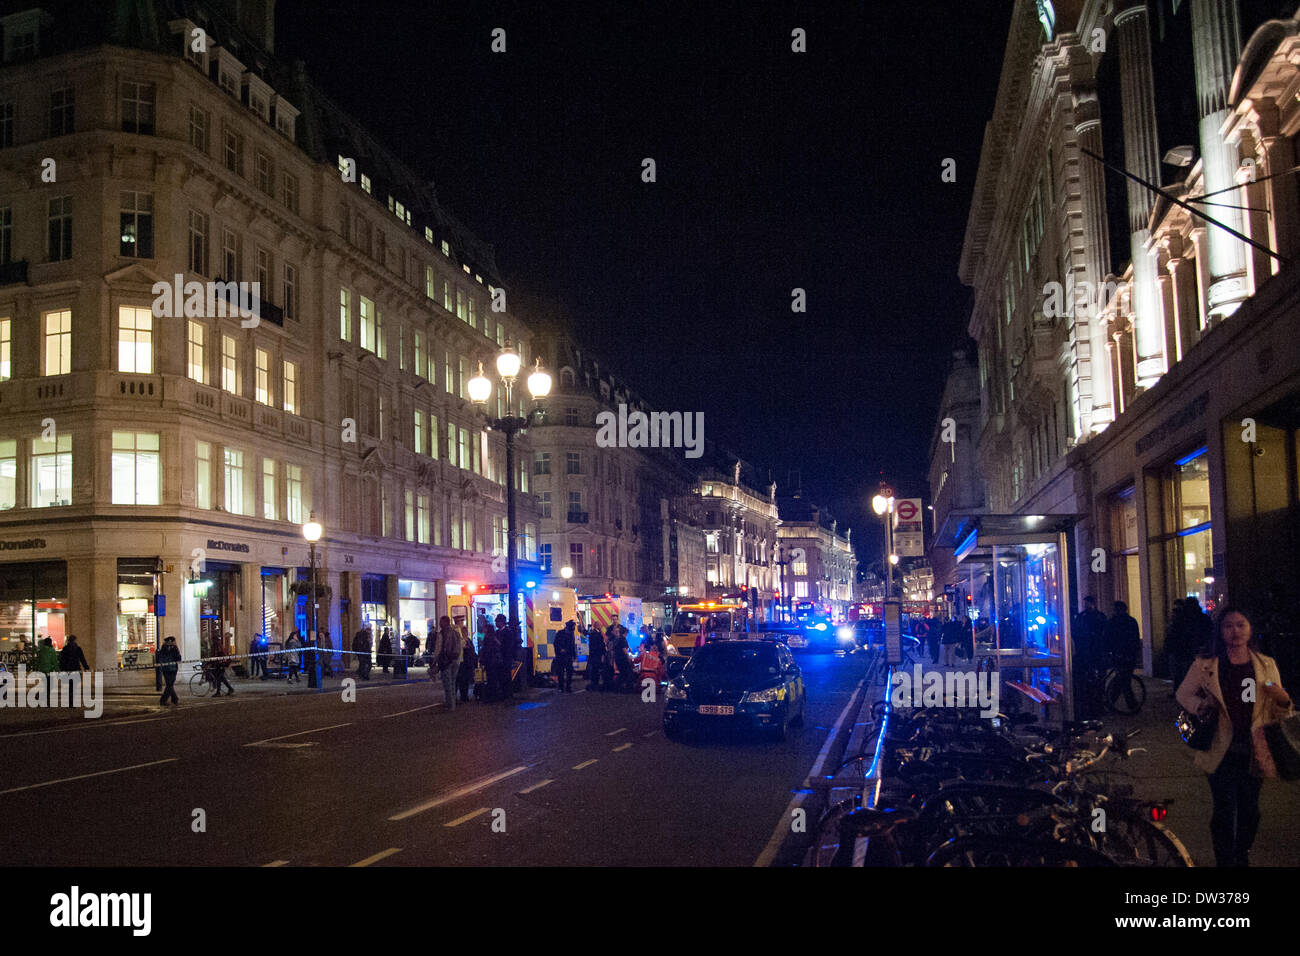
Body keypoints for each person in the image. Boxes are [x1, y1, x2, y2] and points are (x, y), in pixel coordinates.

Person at [1176, 606, 1292, 867]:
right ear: (1220, 630)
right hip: (1220, 747)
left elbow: (1278, 706)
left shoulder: (1265, 664)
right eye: (1229, 626)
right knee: (1225, 808)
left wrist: (1284, 701)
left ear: (1250, 629)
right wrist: (1200, 706)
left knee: (1251, 809)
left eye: (1241, 625)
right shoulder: (1206, 664)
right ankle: (1226, 860)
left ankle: (1242, 853)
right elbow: (1184, 694)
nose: (1235, 631)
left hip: (1254, 748)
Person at [1072, 596, 1108, 718]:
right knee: (1088, 680)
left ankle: (1098, 704)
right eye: (1086, 603)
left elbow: (1104, 633)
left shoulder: (1098, 617)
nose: (1087, 605)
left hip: (1095, 652)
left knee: (1098, 679)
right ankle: (1093, 705)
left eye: (1088, 603)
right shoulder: (1082, 617)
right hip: (1086, 652)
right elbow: (1075, 632)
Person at [1103, 601, 1141, 674]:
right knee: (1124, 674)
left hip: (1123, 652)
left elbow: (1106, 637)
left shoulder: (1112, 622)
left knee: (1122, 674)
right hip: (1124, 652)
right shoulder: (1130, 621)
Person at [433, 617, 462, 710]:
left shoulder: (442, 634)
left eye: (441, 622)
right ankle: (453, 703)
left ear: (444, 622)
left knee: (447, 684)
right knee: (453, 683)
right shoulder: (456, 633)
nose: (439, 623)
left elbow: (438, 649)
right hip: (455, 660)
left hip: (446, 661)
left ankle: (450, 705)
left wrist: (435, 661)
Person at [497, 614, 521, 699]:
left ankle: (508, 694)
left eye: (498, 621)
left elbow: (509, 646)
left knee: (507, 676)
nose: (496, 623)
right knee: (501, 677)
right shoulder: (498, 632)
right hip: (500, 658)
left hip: (506, 658)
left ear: (502, 622)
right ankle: (503, 693)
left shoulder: (508, 632)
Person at [480, 622, 503, 701]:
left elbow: (487, 651)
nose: (483, 630)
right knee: (494, 679)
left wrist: (482, 659)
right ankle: (494, 695)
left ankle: (491, 696)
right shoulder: (494, 637)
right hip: (495, 661)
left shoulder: (488, 638)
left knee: (491, 679)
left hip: (490, 661)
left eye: (484, 628)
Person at [157, 635, 182, 705]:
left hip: (170, 669)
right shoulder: (166, 649)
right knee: (170, 685)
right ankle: (163, 700)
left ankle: (174, 699)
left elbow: (178, 658)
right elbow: (178, 658)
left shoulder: (171, 648)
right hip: (169, 669)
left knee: (169, 685)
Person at [553, 620, 576, 693]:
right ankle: (561, 687)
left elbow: (572, 645)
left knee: (569, 672)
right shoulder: (560, 633)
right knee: (561, 672)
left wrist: (574, 655)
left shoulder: (571, 634)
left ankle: (568, 687)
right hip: (561, 656)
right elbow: (555, 643)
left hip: (568, 656)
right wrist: (560, 650)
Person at [457, 627, 479, 703]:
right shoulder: (463, 641)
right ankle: (463, 696)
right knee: (463, 680)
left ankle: (464, 696)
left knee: (465, 680)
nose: (466, 633)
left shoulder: (468, 640)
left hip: (467, 663)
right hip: (463, 663)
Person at [587, 625, 606, 689]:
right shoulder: (596, 634)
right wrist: (603, 652)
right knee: (596, 669)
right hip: (597, 654)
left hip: (594, 654)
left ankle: (594, 682)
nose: (601, 626)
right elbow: (600, 644)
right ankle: (595, 683)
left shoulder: (594, 633)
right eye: (600, 625)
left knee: (595, 669)